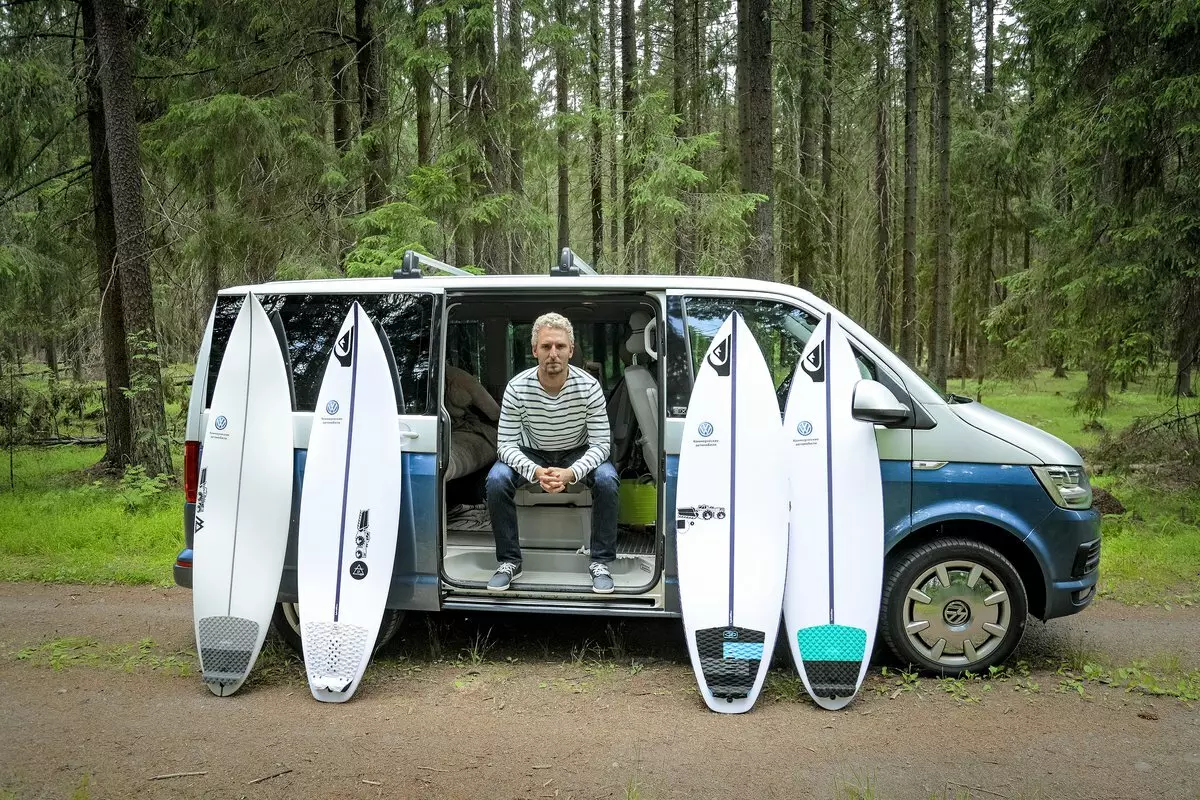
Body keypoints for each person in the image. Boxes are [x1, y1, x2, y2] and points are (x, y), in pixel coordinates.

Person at [486, 312, 619, 593]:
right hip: (532, 454)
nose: (553, 354)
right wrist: (535, 471)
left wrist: (571, 473)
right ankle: (509, 562)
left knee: (608, 479)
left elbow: (601, 445)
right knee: (496, 479)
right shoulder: (517, 388)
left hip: (577, 454)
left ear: (571, 349)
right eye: (546, 346)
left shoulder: (590, 387)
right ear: (535, 350)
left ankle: (600, 563)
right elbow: (505, 445)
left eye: (560, 346)